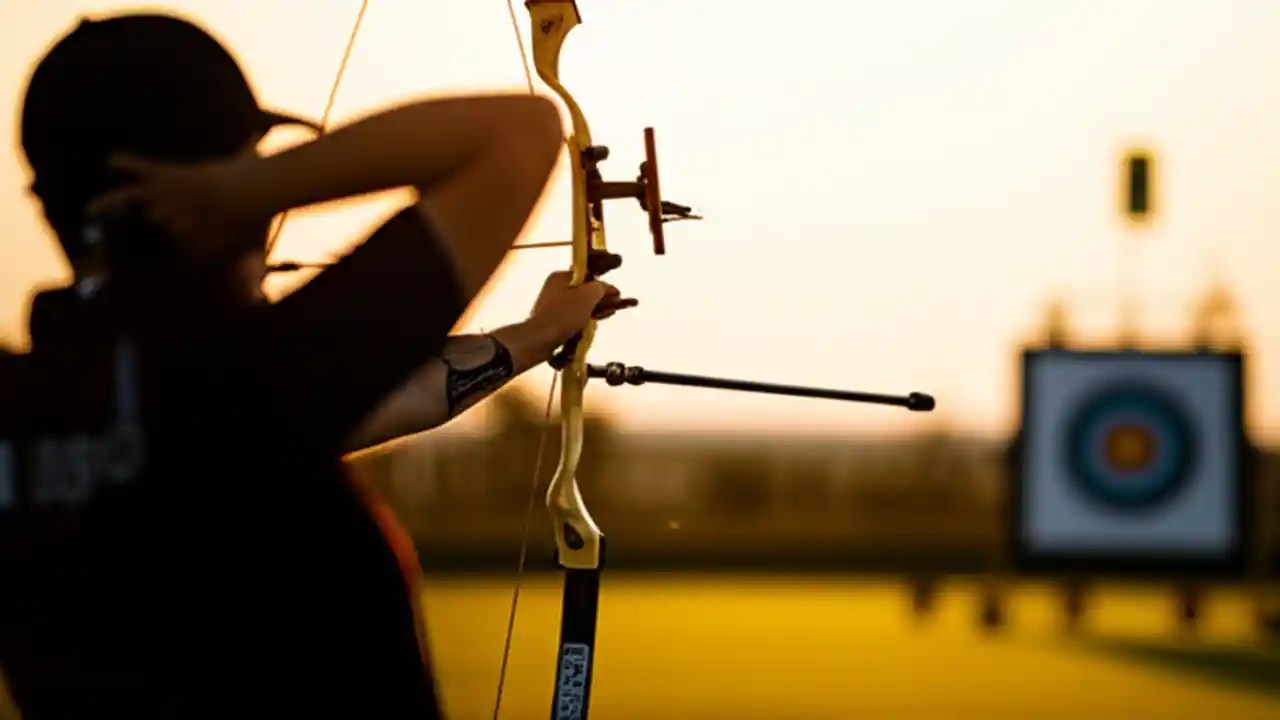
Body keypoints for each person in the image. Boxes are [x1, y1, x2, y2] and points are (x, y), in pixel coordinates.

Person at [0, 12, 630, 718]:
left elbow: (391, 396)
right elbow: (519, 133)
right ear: (195, 187)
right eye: (252, 164)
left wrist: (534, 334)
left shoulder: (29, 404)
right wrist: (247, 190)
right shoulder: (237, 380)